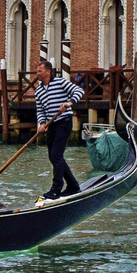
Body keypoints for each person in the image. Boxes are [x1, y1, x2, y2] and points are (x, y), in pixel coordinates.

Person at [33, 58, 86, 201]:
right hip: (52, 125)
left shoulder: (60, 82)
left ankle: (56, 189)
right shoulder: (38, 91)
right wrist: (42, 123)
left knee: (56, 155)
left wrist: (68, 103)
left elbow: (79, 91)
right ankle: (73, 185)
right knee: (53, 156)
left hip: (64, 122)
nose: (37, 73)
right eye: (37, 71)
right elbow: (40, 110)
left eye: (40, 71)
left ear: (48, 71)